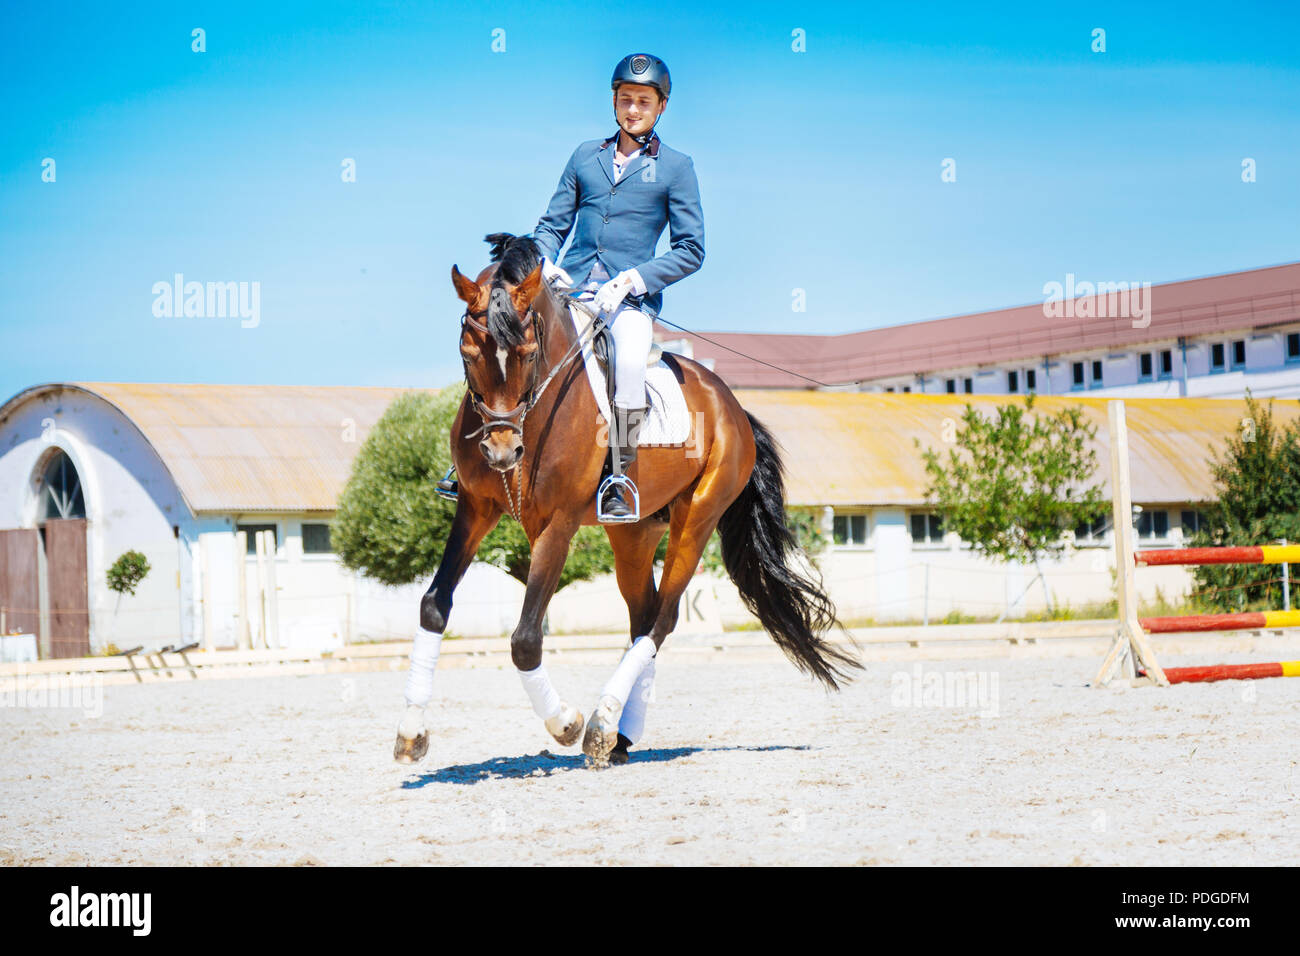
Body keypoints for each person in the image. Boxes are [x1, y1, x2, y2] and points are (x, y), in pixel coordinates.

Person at [438, 53, 705, 521]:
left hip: (628, 302)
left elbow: (690, 249)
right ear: (614, 101)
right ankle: (466, 463)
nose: (632, 109)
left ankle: (619, 478)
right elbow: (552, 225)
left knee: (627, 363)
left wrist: (632, 279)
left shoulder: (678, 169)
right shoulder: (586, 156)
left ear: (660, 106)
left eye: (643, 101)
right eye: (625, 99)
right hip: (571, 289)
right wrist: (543, 263)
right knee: (503, 342)